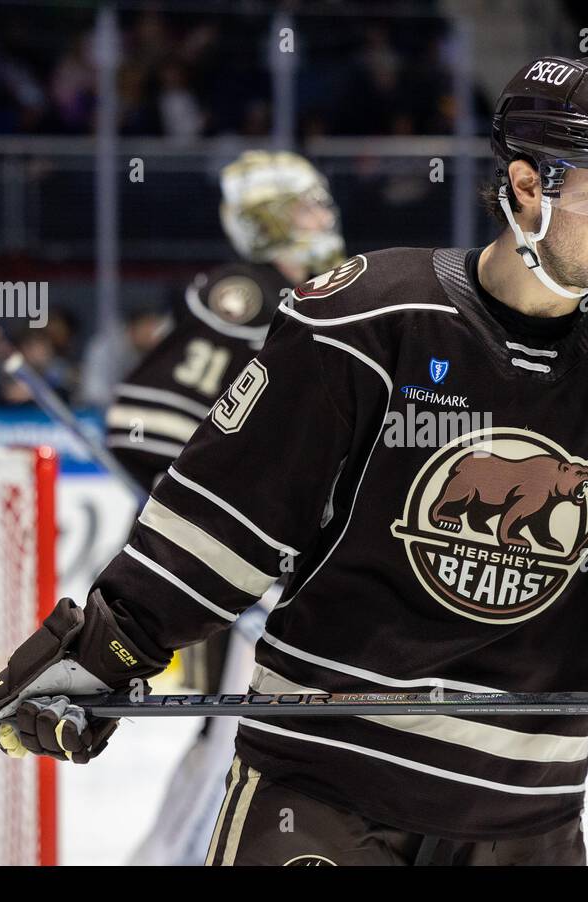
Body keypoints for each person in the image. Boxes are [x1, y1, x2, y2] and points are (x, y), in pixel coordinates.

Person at [0, 55, 588, 866]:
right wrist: (112, 645)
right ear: (529, 186)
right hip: (323, 787)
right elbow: (233, 512)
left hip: (525, 818)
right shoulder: (365, 319)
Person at [108, 149, 345, 865]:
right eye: (307, 202)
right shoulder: (247, 290)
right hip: (244, 564)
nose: (325, 213)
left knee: (240, 729)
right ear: (269, 221)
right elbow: (141, 423)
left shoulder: (325, 295)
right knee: (243, 730)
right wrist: (222, 511)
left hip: (289, 562)